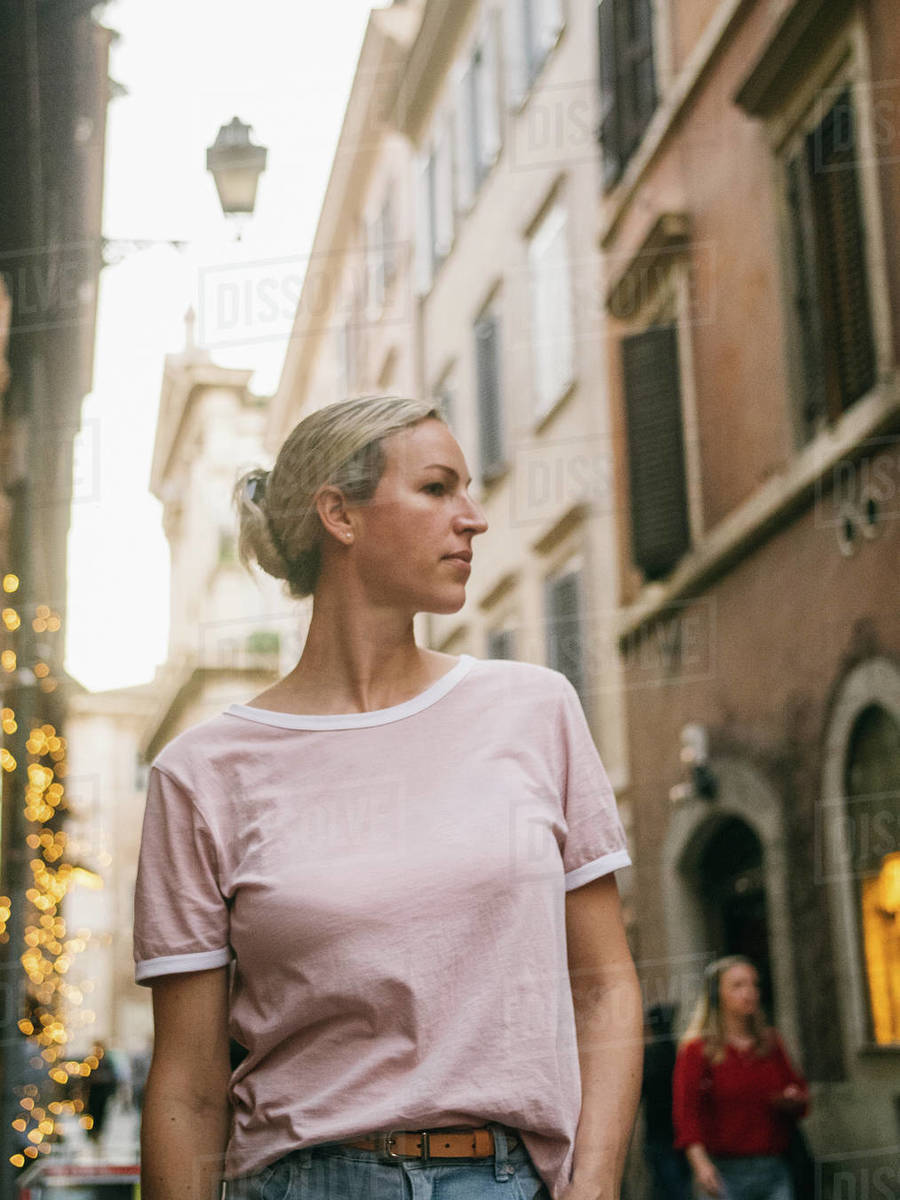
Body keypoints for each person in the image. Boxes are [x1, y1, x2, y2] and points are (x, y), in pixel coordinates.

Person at [132, 395, 644, 1200]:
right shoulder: (200, 774)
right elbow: (189, 1087)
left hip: (506, 1180)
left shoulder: (536, 710)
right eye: (437, 488)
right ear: (340, 515)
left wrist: (598, 1182)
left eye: (467, 489)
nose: (473, 518)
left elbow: (606, 985)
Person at [672, 955, 810, 1200]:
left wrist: (791, 1098)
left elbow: (800, 1094)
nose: (749, 992)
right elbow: (687, 1113)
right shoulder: (697, 1050)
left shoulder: (769, 1043)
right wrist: (700, 1165)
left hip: (773, 1167)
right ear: (717, 995)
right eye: (737, 985)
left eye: (753, 984)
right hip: (724, 1171)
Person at [640, 1004, 690, 1199]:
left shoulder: (652, 1057)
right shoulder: (677, 1053)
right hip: (673, 1132)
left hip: (661, 1134)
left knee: (668, 1188)